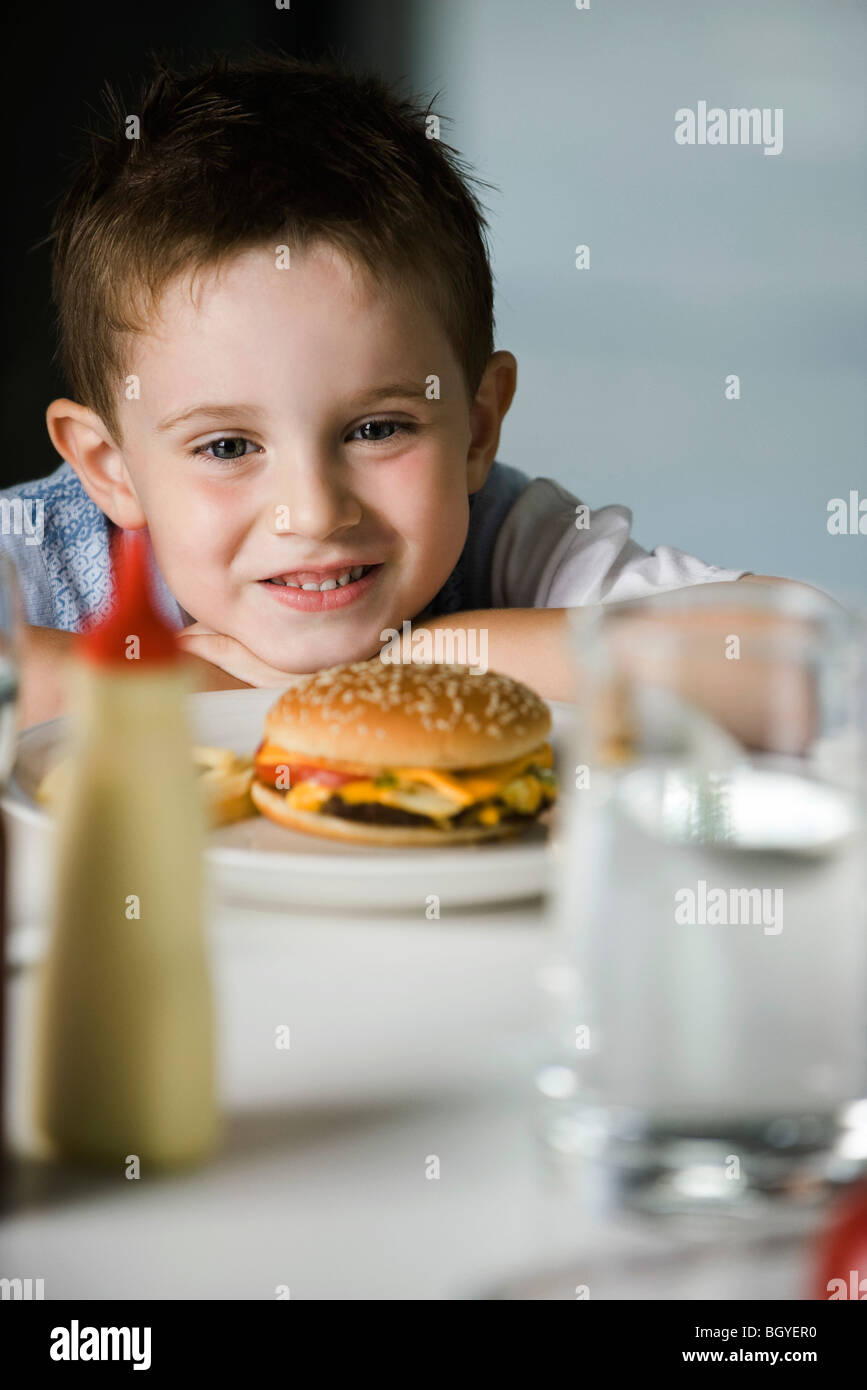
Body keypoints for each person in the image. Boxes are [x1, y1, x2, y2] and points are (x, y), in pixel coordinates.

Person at [1, 51, 790, 728]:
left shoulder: (506, 538)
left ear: (476, 429)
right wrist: (202, 690)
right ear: (111, 468)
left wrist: (414, 671)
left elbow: (798, 661)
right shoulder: (46, 554)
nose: (310, 513)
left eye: (376, 430)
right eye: (228, 446)